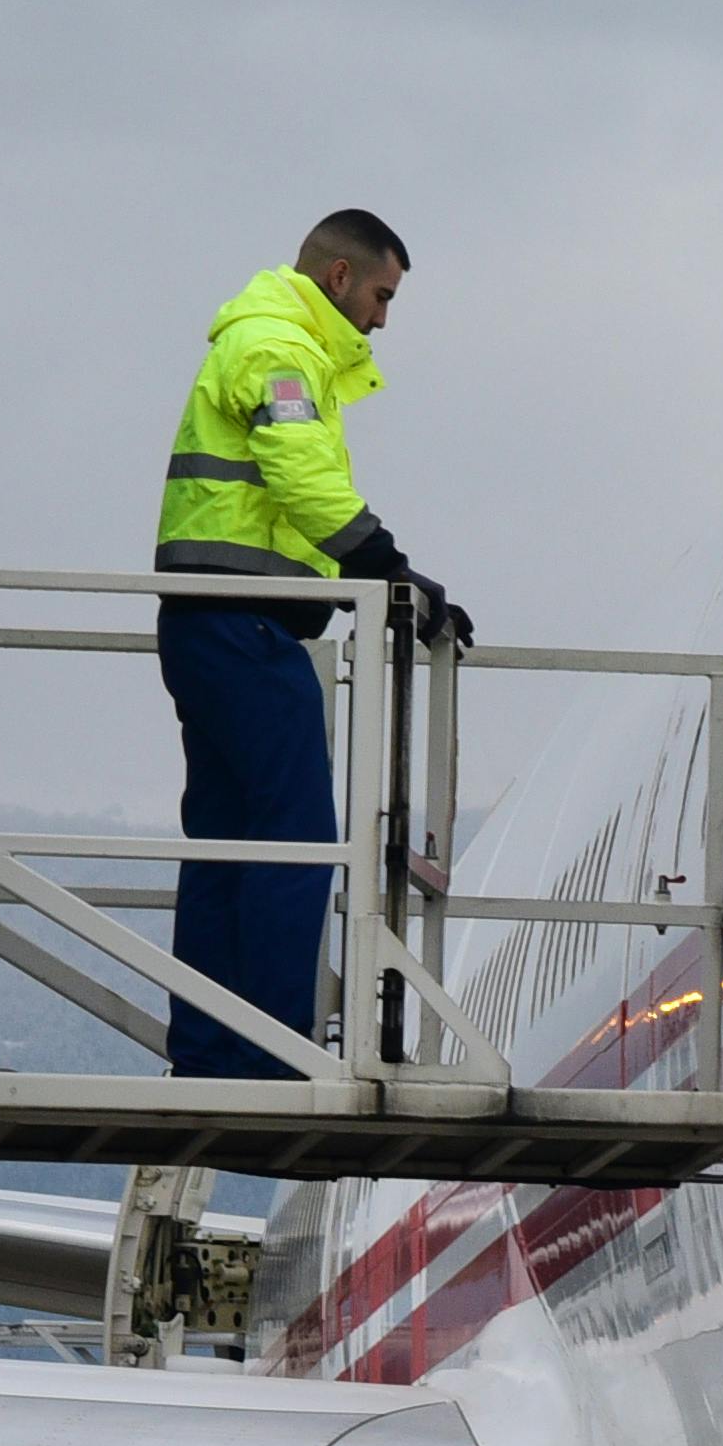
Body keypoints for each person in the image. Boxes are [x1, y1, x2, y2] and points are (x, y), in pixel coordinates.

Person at [151, 210, 462, 1079]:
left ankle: (212, 1050)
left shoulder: (262, 341)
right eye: (380, 294)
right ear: (338, 278)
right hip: (247, 628)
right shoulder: (279, 349)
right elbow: (297, 472)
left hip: (208, 624)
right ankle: (276, 1051)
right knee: (294, 836)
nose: (382, 318)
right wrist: (388, 567)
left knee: (227, 841)